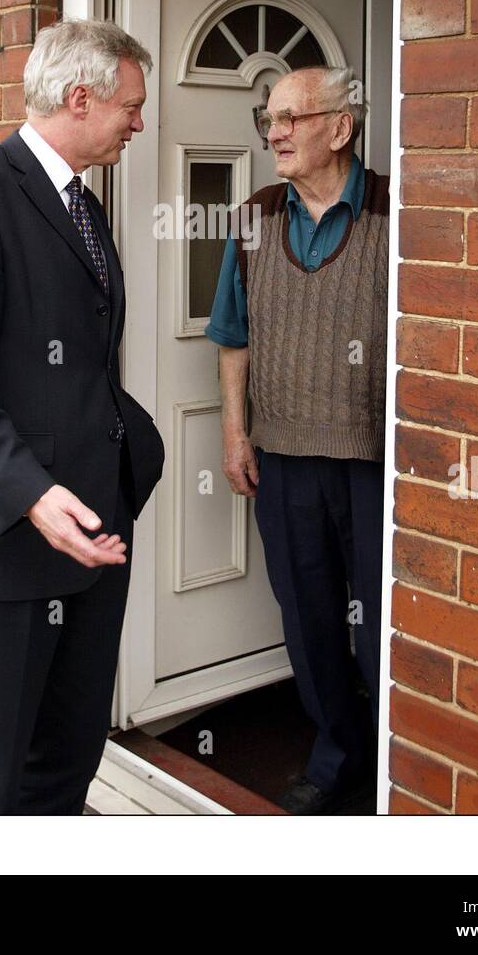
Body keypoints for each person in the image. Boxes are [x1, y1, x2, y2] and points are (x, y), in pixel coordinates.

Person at [0, 17, 165, 814]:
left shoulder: (81, 205)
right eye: (131, 104)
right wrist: (30, 494)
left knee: (66, 761)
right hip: (8, 548)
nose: (140, 121)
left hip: (92, 537)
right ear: (80, 97)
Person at [206, 65, 389, 815]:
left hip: (376, 459)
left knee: (384, 619)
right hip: (281, 455)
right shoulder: (254, 216)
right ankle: (336, 756)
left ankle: (395, 759)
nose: (272, 133)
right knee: (307, 615)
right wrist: (234, 431)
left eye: (289, 117)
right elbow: (231, 336)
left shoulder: (398, 210)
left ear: (339, 128)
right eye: (267, 119)